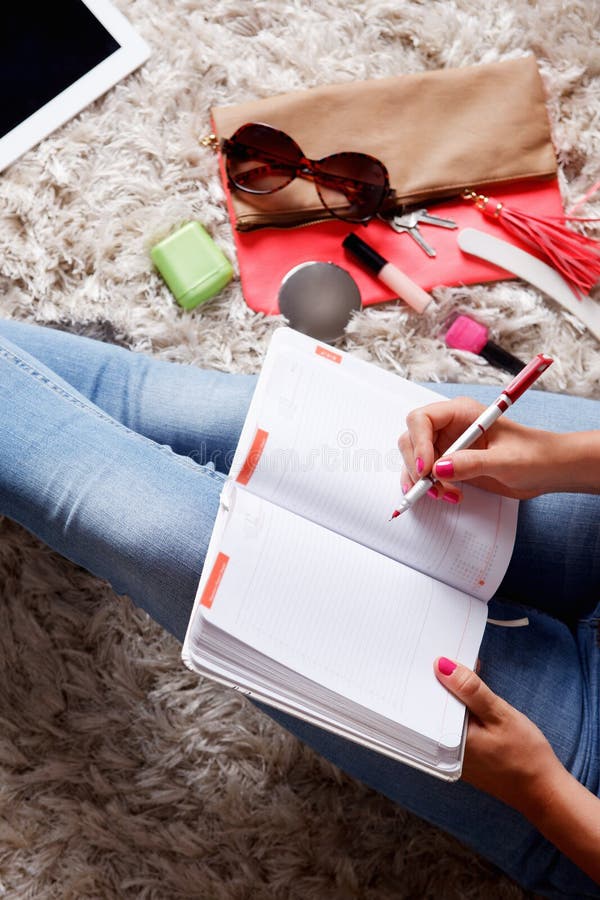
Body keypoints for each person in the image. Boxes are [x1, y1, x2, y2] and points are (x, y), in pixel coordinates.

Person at [0, 318, 598, 897]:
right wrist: (563, 456)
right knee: (184, 412)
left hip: (575, 782)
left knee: (160, 536)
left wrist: (540, 789)